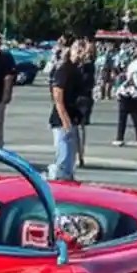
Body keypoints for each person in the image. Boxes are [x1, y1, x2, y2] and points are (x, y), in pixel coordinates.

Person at [47, 40, 86, 182]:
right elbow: (58, 97)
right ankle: (58, 178)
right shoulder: (64, 69)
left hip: (73, 116)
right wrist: (65, 122)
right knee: (63, 157)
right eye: (78, 51)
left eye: (84, 51)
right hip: (62, 120)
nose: (81, 54)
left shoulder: (78, 70)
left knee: (70, 157)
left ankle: (68, 178)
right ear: (71, 51)